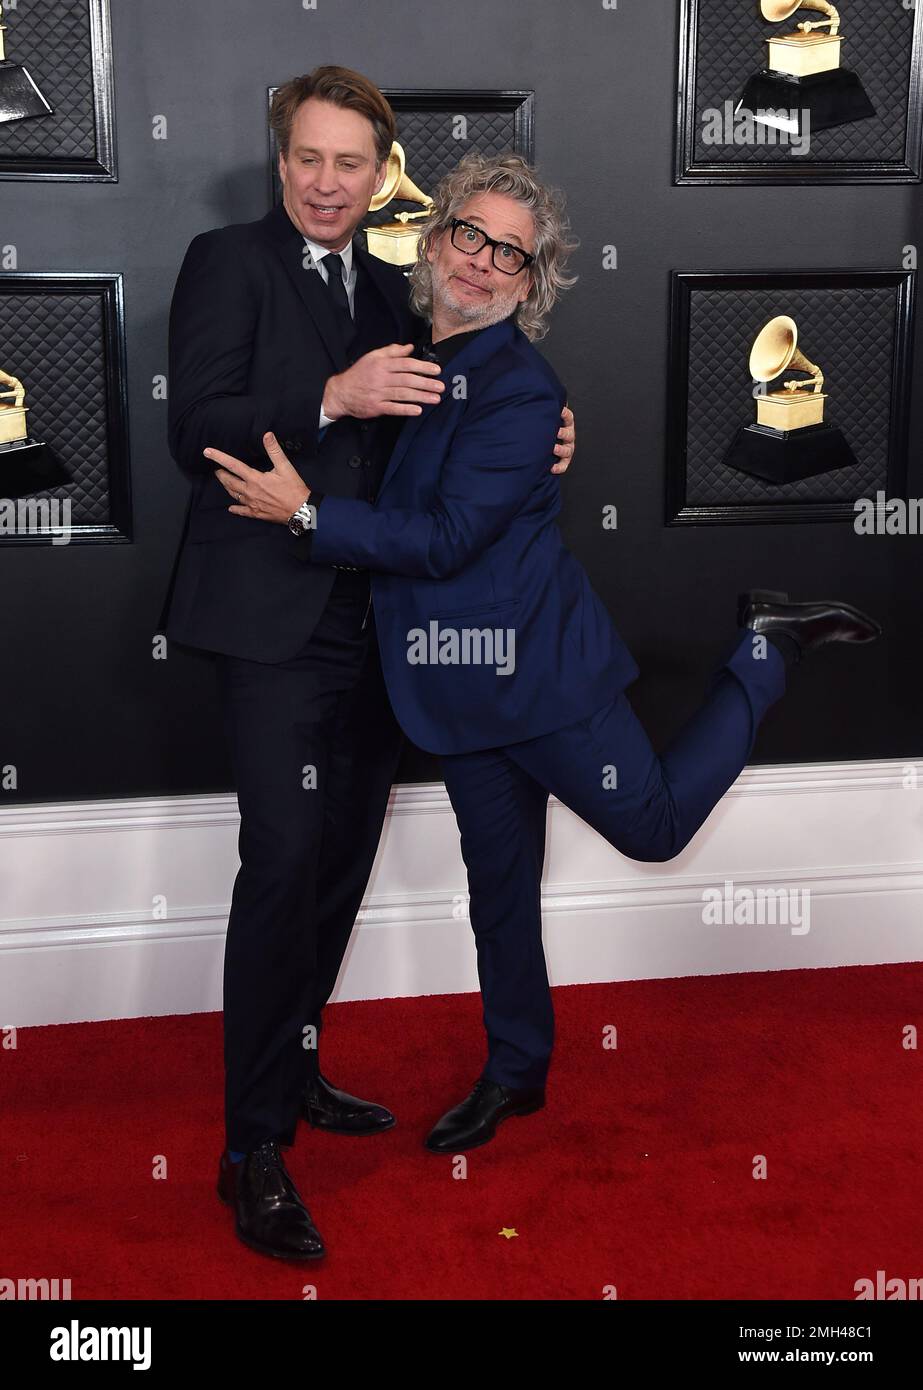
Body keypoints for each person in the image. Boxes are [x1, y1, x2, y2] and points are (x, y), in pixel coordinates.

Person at [206, 153, 880, 1171]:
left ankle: (764, 646)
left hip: (539, 679)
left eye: (508, 255)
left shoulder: (523, 393)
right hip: (448, 693)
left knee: (651, 828)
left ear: (531, 282)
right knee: (499, 885)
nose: (481, 264)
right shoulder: (405, 351)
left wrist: (302, 514)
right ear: (433, 242)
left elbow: (438, 539)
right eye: (468, 237)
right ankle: (517, 1069)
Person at [160, 68, 575, 1262]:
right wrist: (329, 395)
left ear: (382, 172)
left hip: (377, 624)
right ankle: (248, 1153)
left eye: (351, 162)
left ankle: (292, 1080)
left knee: (337, 865)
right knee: (282, 863)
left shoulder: (404, 290)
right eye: (308, 158)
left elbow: (470, 392)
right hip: (267, 625)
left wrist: (552, 425)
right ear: (279, 157)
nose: (327, 182)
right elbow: (194, 422)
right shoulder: (224, 262)